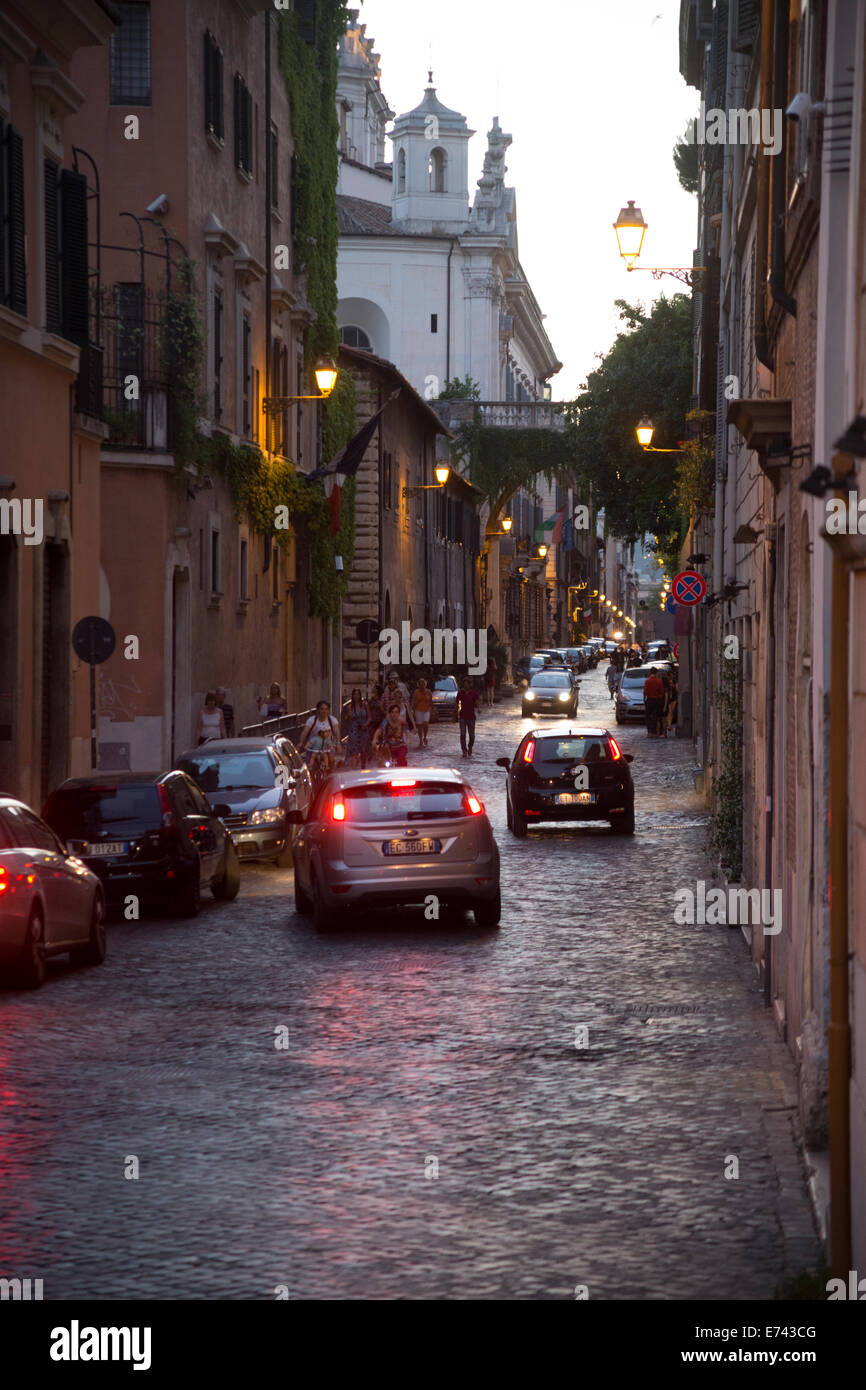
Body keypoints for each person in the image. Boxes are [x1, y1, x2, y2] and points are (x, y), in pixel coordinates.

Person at [299, 700, 342, 777]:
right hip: (313, 746)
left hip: (327, 746)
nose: (324, 711)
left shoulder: (332, 720)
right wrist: (301, 743)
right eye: (322, 709)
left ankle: (330, 775)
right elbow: (305, 732)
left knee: (331, 760)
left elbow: (337, 732)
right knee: (310, 765)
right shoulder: (312, 720)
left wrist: (338, 743)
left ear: (328, 710)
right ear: (318, 710)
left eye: (326, 709)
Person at [374, 703, 410, 767]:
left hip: (400, 745)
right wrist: (375, 739)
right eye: (392, 712)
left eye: (396, 712)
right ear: (390, 713)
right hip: (388, 746)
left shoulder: (402, 722)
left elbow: (407, 732)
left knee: (401, 759)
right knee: (382, 762)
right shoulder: (386, 721)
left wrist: (408, 740)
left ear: (399, 713)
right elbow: (379, 730)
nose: (394, 714)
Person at [344, 689, 371, 769]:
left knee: (363, 749)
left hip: (363, 728)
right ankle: (354, 767)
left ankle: (363, 765)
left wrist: (365, 725)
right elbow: (348, 721)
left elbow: (369, 718)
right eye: (354, 694)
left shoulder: (365, 705)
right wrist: (349, 717)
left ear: (360, 695)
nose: (356, 696)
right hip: (354, 729)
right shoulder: (350, 707)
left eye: (358, 694)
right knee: (354, 749)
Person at [457, 678, 481, 758]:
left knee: (472, 735)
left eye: (467, 683)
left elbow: (477, 701)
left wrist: (478, 708)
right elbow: (457, 704)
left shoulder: (473, 693)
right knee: (462, 734)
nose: (466, 685)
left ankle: (470, 747)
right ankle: (464, 750)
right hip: (462, 716)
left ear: (470, 684)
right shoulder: (460, 693)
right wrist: (455, 714)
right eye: (465, 683)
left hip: (471, 716)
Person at [642, 666, 666, 738]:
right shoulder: (659, 681)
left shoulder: (647, 681)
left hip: (649, 700)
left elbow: (645, 692)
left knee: (648, 716)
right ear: (656, 673)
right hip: (657, 700)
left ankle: (650, 732)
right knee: (655, 716)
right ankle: (655, 732)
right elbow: (662, 692)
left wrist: (644, 701)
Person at [411, 678, 433, 748]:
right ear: (418, 685)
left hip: (426, 710)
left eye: (423, 685)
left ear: (425, 685)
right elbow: (413, 701)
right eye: (420, 685)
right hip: (418, 710)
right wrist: (412, 710)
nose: (422, 686)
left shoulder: (428, 692)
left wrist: (432, 709)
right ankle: (420, 740)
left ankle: (425, 737)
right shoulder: (416, 692)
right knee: (419, 726)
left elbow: (431, 701)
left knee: (426, 724)